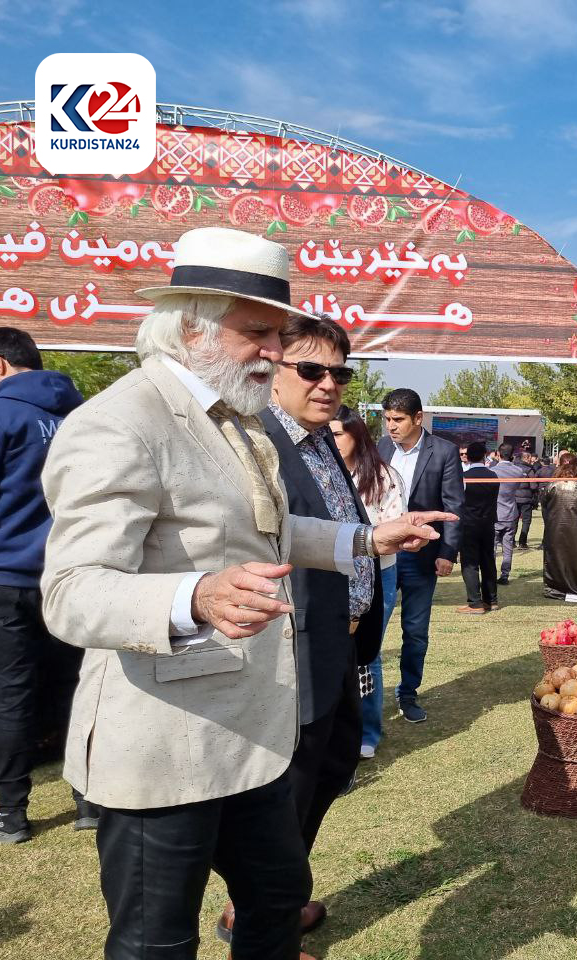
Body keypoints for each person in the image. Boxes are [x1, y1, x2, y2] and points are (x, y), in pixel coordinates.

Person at [38, 226, 452, 960]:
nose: (275, 351)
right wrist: (194, 597)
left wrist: (364, 541)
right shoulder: (119, 423)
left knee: (278, 901)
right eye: (257, 332)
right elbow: (72, 593)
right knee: (154, 942)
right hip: (162, 743)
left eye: (280, 333)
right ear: (189, 328)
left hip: (250, 737)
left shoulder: (242, 420)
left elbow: (266, 529)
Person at [232, 313, 384, 944]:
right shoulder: (258, 441)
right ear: (273, 373)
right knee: (289, 787)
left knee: (335, 762)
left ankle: (277, 898)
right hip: (293, 645)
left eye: (339, 373)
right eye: (312, 370)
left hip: (338, 641)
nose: (328, 385)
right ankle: (261, 916)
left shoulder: (321, 438)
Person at [0, 327, 90, 844]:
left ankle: (11, 813)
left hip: (3, 580)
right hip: (74, 574)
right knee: (77, 686)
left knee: (9, 693)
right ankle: (89, 801)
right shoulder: (82, 415)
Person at [377, 388, 464, 724]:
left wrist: (447, 552)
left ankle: (408, 693)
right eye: (387, 419)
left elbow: (454, 506)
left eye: (397, 419)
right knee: (375, 626)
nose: (391, 426)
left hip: (421, 556)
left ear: (418, 418)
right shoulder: (381, 448)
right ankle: (368, 695)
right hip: (382, 551)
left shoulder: (443, 452)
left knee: (415, 629)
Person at [330, 406, 404, 760]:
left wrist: (365, 542)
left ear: (356, 435)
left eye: (336, 434)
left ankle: (368, 730)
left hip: (377, 572)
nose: (329, 441)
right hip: (327, 572)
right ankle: (334, 726)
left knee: (366, 652)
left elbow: (396, 525)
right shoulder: (319, 472)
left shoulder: (383, 477)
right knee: (331, 651)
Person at [540, 452, 577, 599]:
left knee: (556, 556)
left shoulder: (552, 484)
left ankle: (556, 587)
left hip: (555, 526)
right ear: (576, 465)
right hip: (576, 527)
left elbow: (544, 501)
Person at [456, 442, 499, 614]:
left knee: (470, 563)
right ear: (484, 455)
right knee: (488, 561)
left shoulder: (464, 477)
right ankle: (491, 600)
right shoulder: (494, 476)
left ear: (467, 456)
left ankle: (475, 603)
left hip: (469, 525)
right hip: (488, 524)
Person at [491, 442, 526, 584]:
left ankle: (491, 574)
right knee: (507, 545)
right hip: (511, 513)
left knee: (491, 547)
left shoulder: (492, 471)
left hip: (496, 513)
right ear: (512, 456)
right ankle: (505, 575)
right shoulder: (517, 471)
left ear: (498, 454)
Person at [514, 450, 538, 549]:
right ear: (526, 458)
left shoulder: (513, 468)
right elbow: (533, 486)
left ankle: (511, 542)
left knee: (514, 520)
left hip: (514, 498)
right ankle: (522, 542)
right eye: (529, 458)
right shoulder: (529, 470)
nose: (530, 460)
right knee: (526, 521)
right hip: (526, 499)